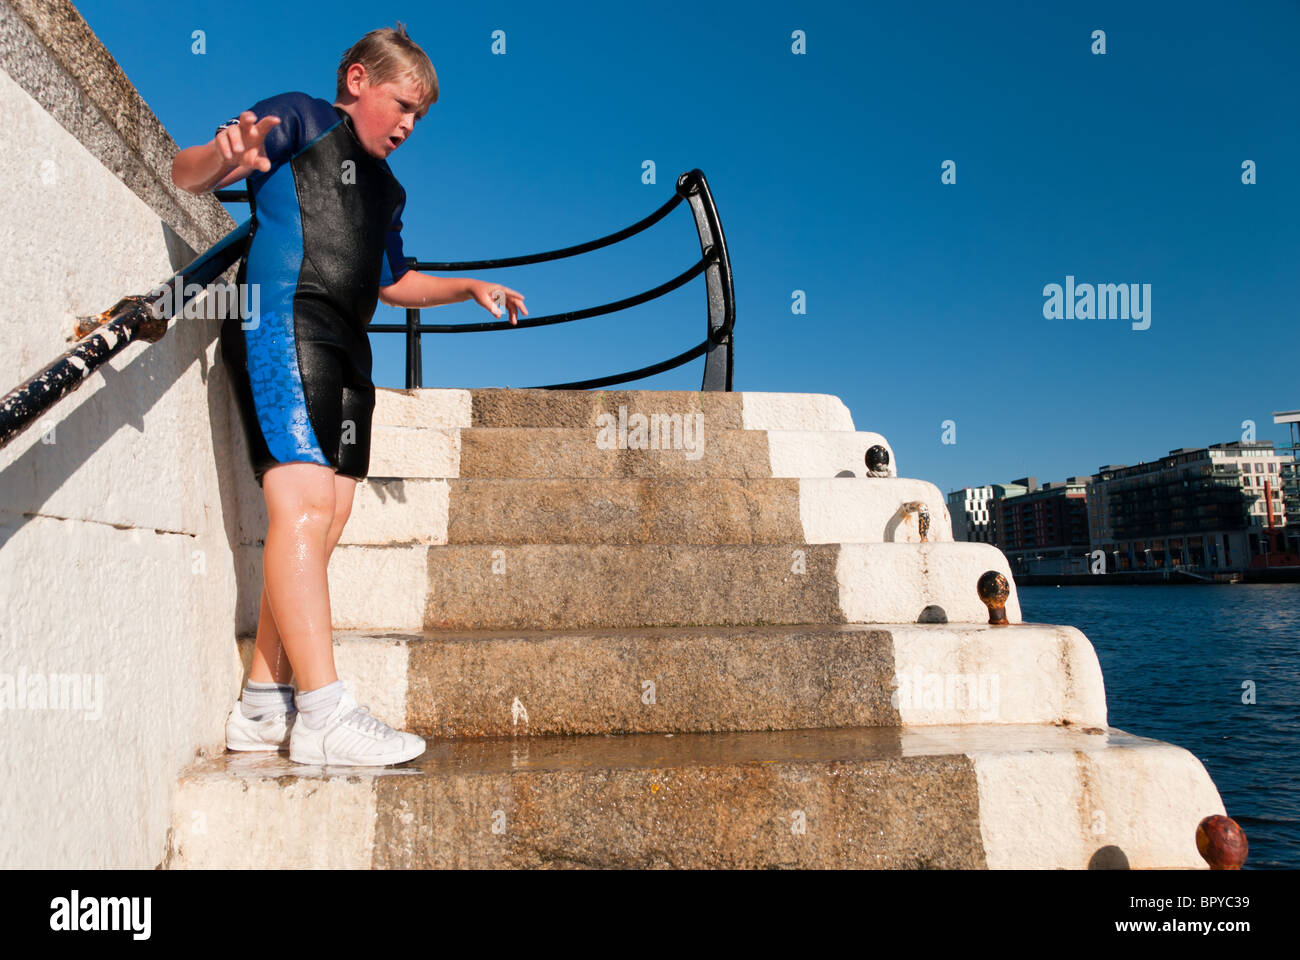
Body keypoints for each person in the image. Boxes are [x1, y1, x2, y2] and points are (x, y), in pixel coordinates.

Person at [171, 23, 526, 765]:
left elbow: (394, 280)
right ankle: (324, 712)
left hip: (348, 347)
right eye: (401, 104)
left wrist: (467, 287)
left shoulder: (390, 187)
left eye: (419, 118)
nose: (407, 125)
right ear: (359, 80)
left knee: (329, 511)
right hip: (282, 321)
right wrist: (222, 158)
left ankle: (265, 704)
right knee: (300, 502)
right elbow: (189, 172)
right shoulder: (299, 117)